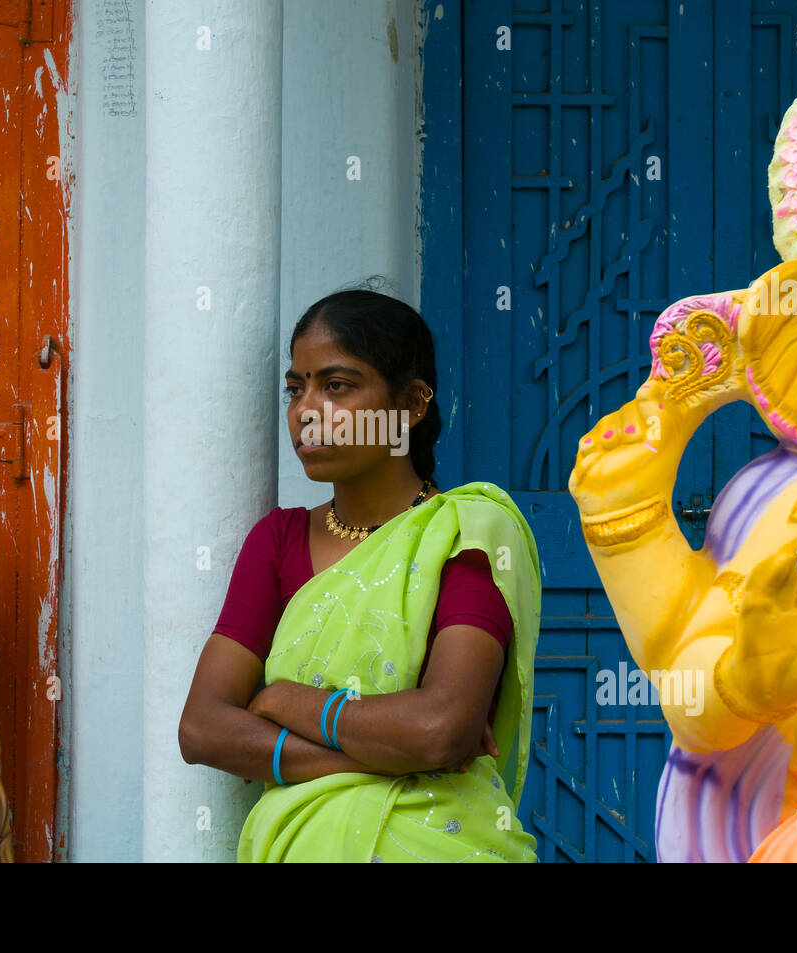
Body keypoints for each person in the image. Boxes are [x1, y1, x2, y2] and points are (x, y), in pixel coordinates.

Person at [179, 288, 541, 862]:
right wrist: (386, 751)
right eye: (296, 389)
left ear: (414, 403)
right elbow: (202, 728)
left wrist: (280, 699)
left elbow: (440, 728)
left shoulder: (465, 535)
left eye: (337, 386)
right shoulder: (278, 542)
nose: (306, 410)